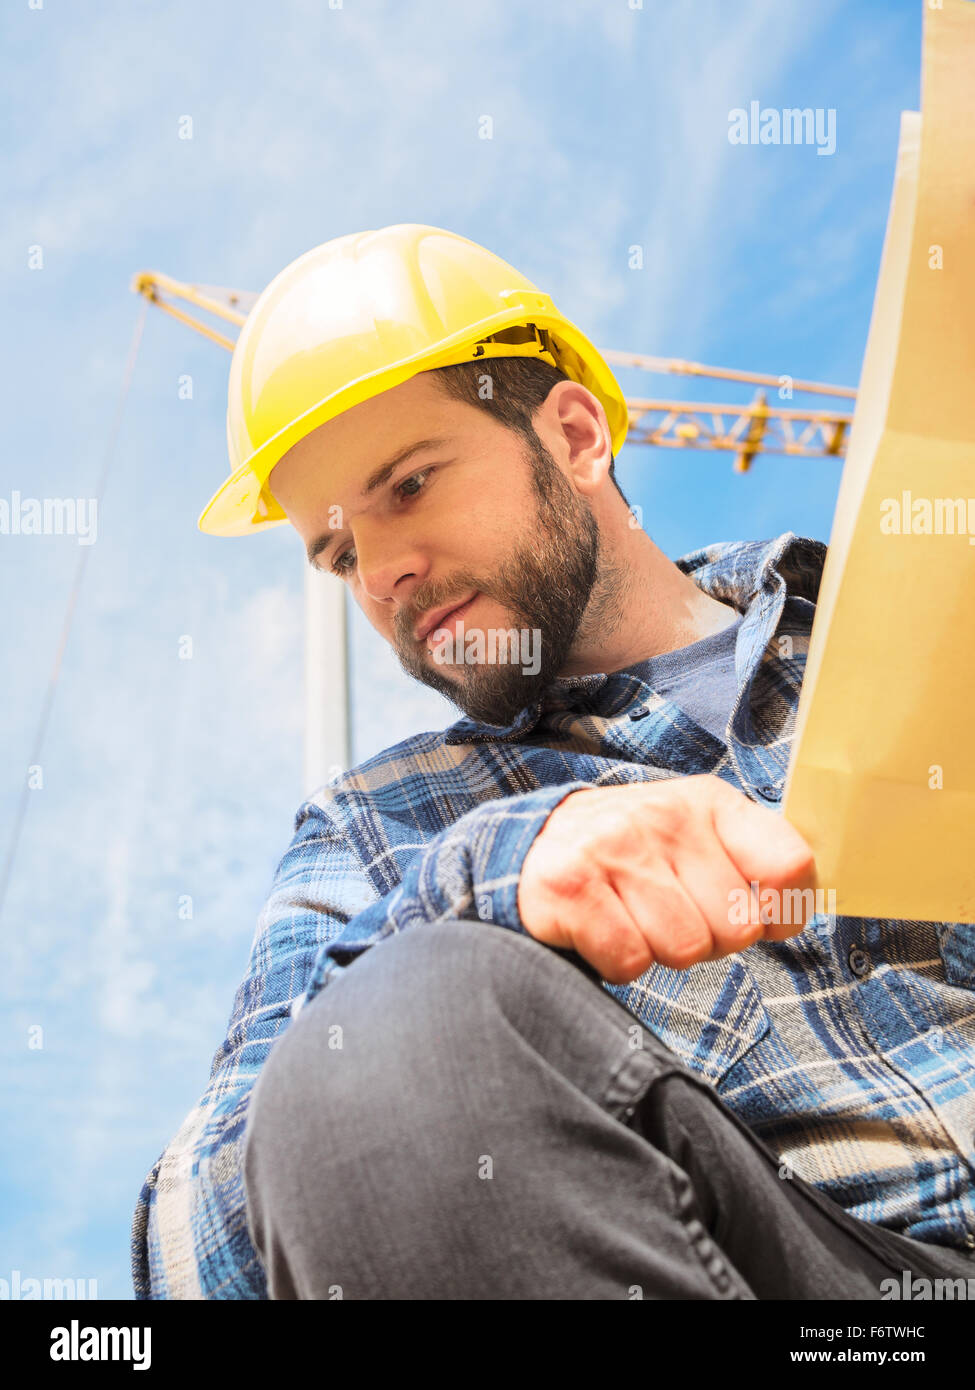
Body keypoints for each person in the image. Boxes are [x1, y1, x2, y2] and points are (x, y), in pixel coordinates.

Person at [132, 224, 975, 1300]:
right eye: (341, 552)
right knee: (394, 1053)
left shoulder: (909, 623)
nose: (385, 572)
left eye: (409, 486)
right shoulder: (376, 832)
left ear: (576, 436)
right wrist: (487, 888)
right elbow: (187, 1269)